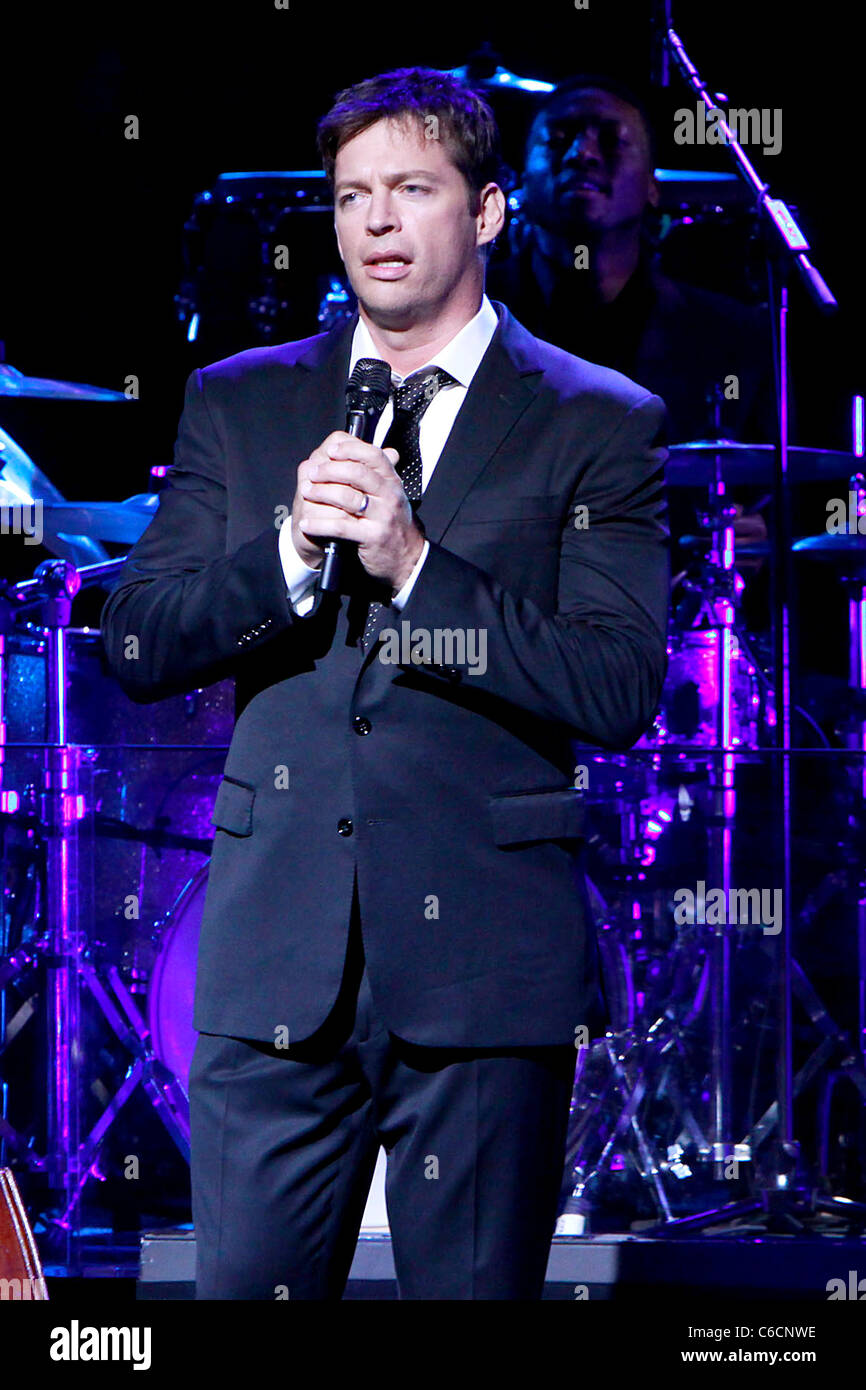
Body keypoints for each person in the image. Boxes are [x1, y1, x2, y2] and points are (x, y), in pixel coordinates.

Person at [100, 66, 669, 1300]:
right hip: (271, 974)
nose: (373, 221)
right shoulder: (241, 399)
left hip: (482, 972)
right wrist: (287, 558)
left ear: (486, 212)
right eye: (352, 193)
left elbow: (619, 684)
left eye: (410, 188)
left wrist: (415, 565)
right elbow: (136, 643)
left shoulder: (595, 420)